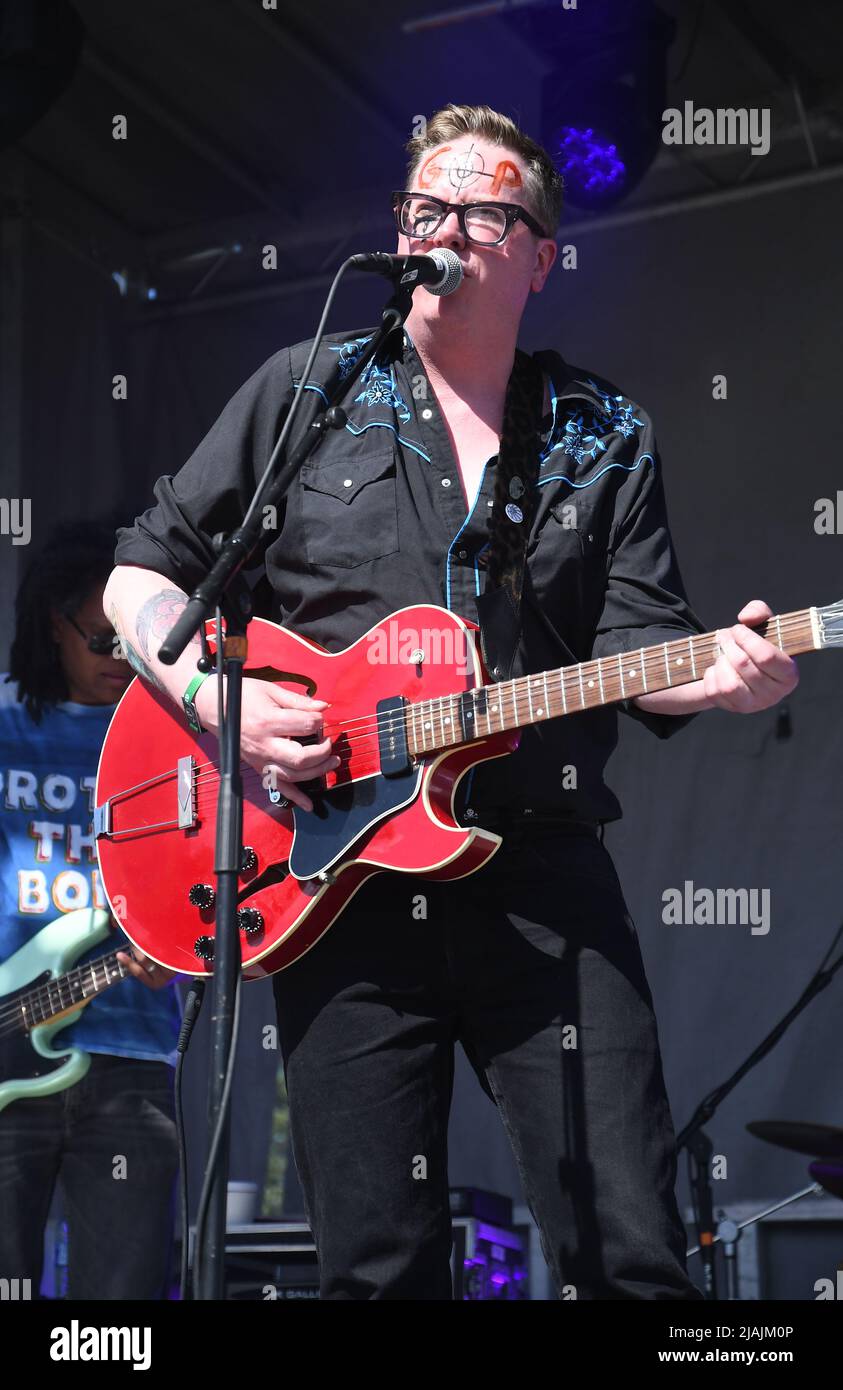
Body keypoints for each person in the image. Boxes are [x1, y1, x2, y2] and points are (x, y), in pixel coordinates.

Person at [104, 104, 798, 1300]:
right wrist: (217, 702)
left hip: (542, 879)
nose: (445, 228)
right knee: (377, 1269)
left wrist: (727, 676)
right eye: (425, 207)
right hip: (336, 876)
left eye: (483, 210)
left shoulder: (603, 434)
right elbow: (138, 574)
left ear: (539, 254)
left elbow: (648, 650)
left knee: (630, 1248)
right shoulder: (308, 390)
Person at [0, 519, 182, 1300]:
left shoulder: (176, 742)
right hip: (8, 1049)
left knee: (122, 1313)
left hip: (132, 1054)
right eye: (102, 640)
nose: (120, 661)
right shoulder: (7, 726)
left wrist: (181, 940)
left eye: (131, 645)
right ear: (53, 623)